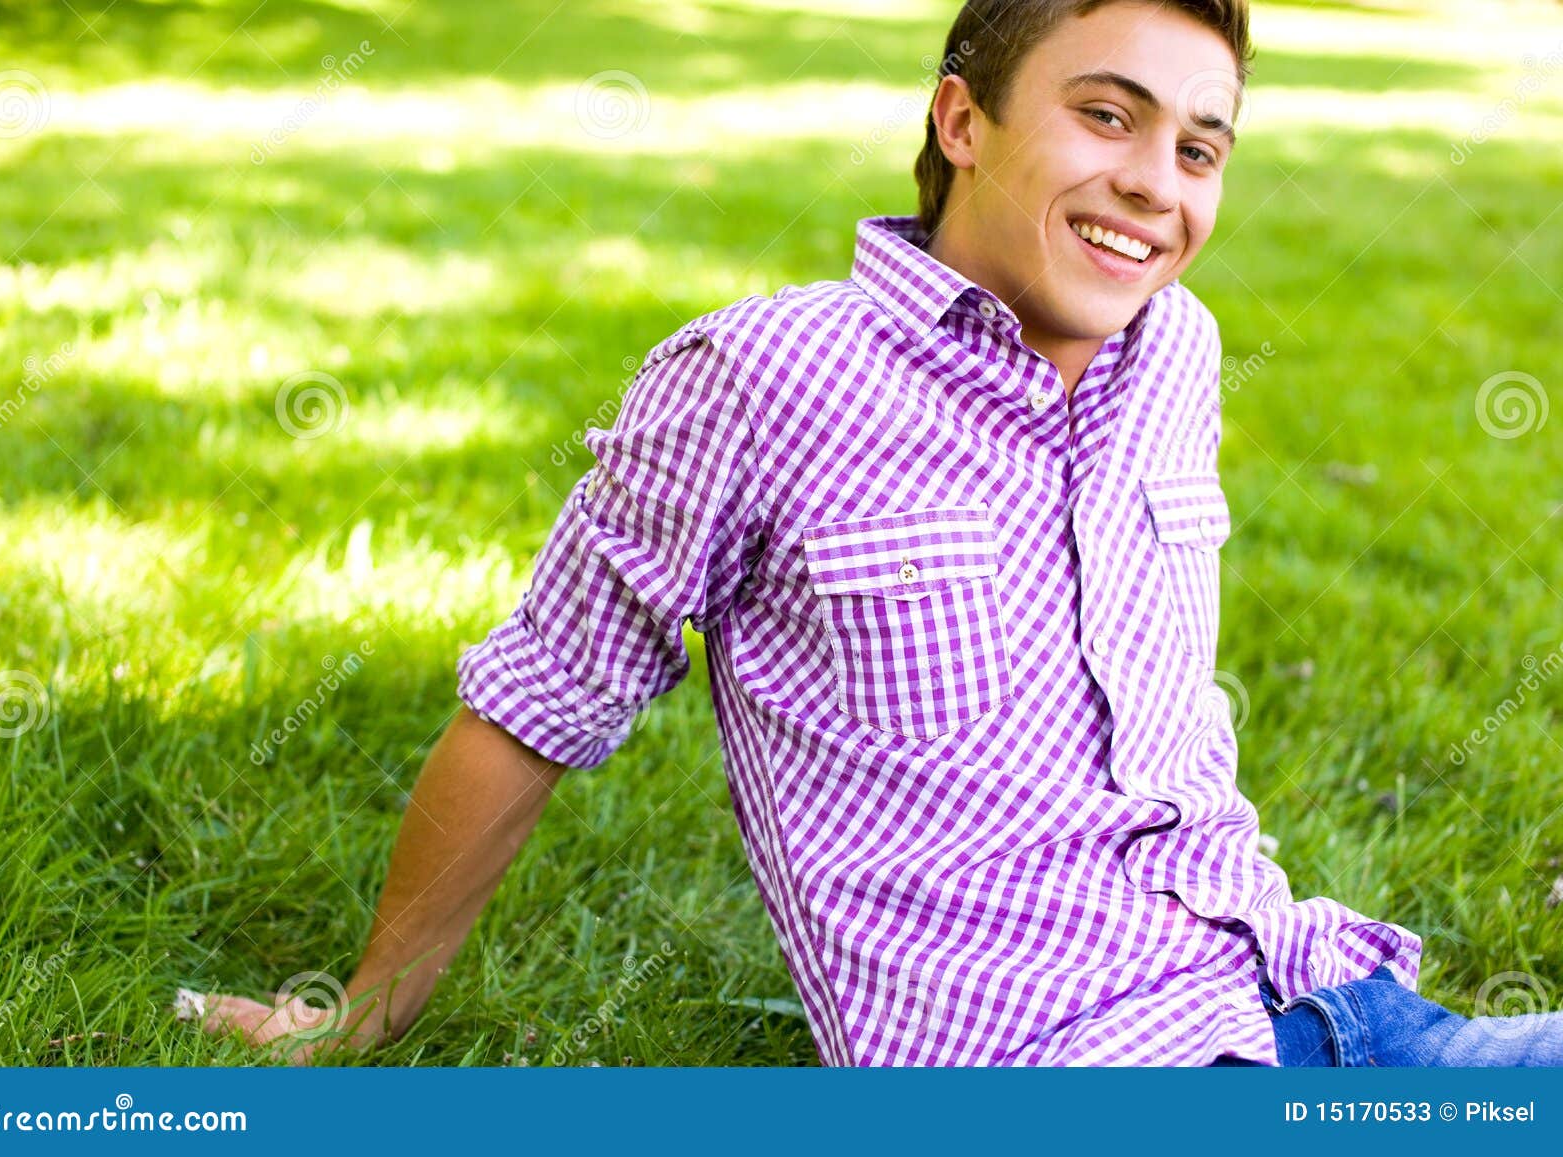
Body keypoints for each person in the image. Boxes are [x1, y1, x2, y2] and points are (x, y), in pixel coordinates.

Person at [199, 0, 1561, 1066]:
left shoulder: (1176, 349)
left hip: (1329, 1004)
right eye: (1107, 116)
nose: (1159, 184)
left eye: (1200, 147)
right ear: (963, 120)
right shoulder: (767, 374)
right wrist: (361, 1008)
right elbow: (539, 698)